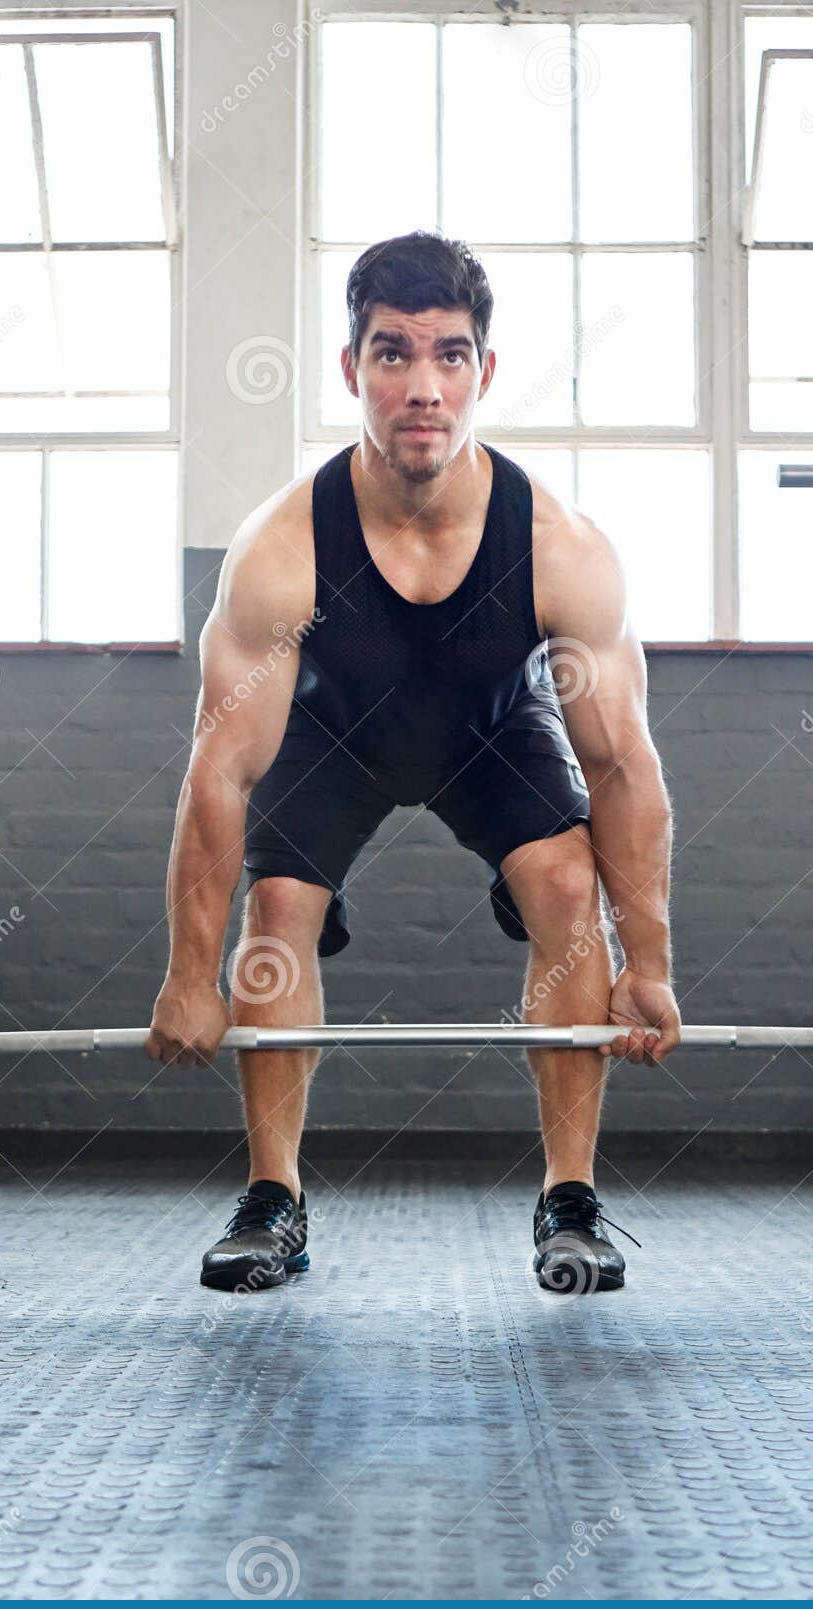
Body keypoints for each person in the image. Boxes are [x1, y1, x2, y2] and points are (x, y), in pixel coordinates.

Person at [147, 232, 681, 1293]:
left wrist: (649, 963)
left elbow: (620, 766)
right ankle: (274, 1197)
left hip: (489, 730)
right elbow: (220, 774)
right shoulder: (280, 548)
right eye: (392, 354)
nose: (421, 386)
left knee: (566, 883)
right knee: (280, 903)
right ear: (352, 371)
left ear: (484, 372)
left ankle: (567, 1199)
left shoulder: (562, 548)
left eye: (448, 355)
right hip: (333, 730)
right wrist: (185, 977)